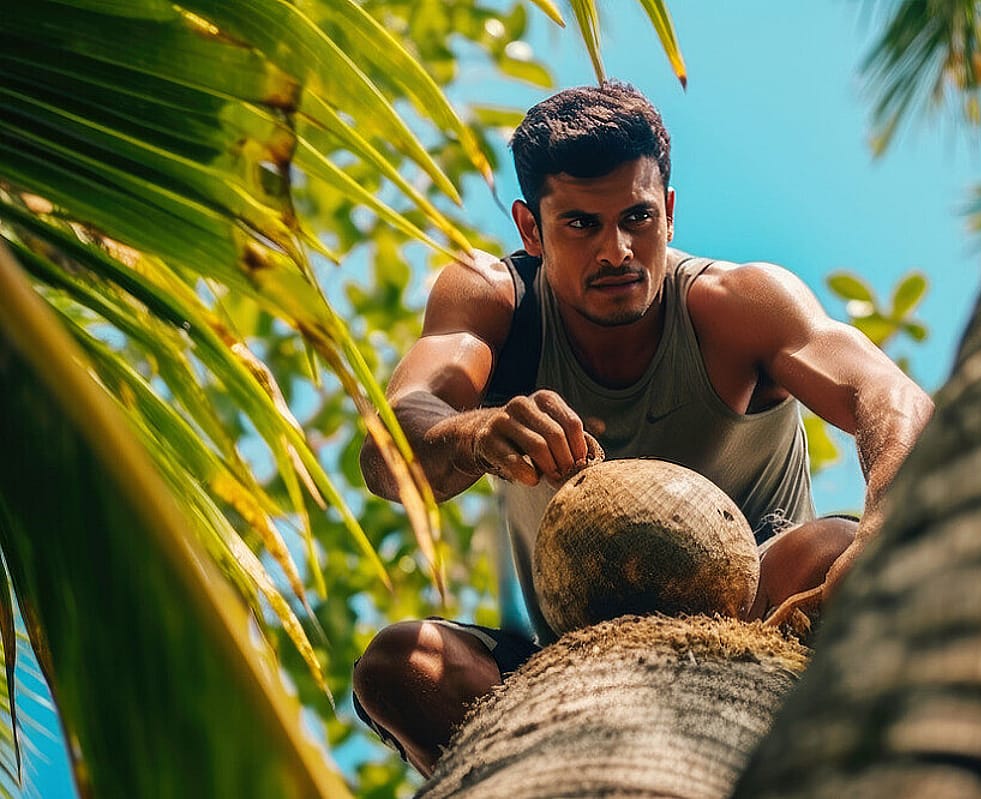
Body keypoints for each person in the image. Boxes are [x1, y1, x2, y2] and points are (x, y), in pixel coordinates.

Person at [352, 81, 933, 776]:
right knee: (398, 667)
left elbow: (886, 391)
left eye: (637, 217)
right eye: (581, 224)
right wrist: (478, 434)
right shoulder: (492, 301)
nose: (618, 250)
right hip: (570, 657)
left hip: (764, 610)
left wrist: (886, 526)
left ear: (670, 212)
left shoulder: (736, 304)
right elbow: (391, 447)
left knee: (832, 547)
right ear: (530, 229)